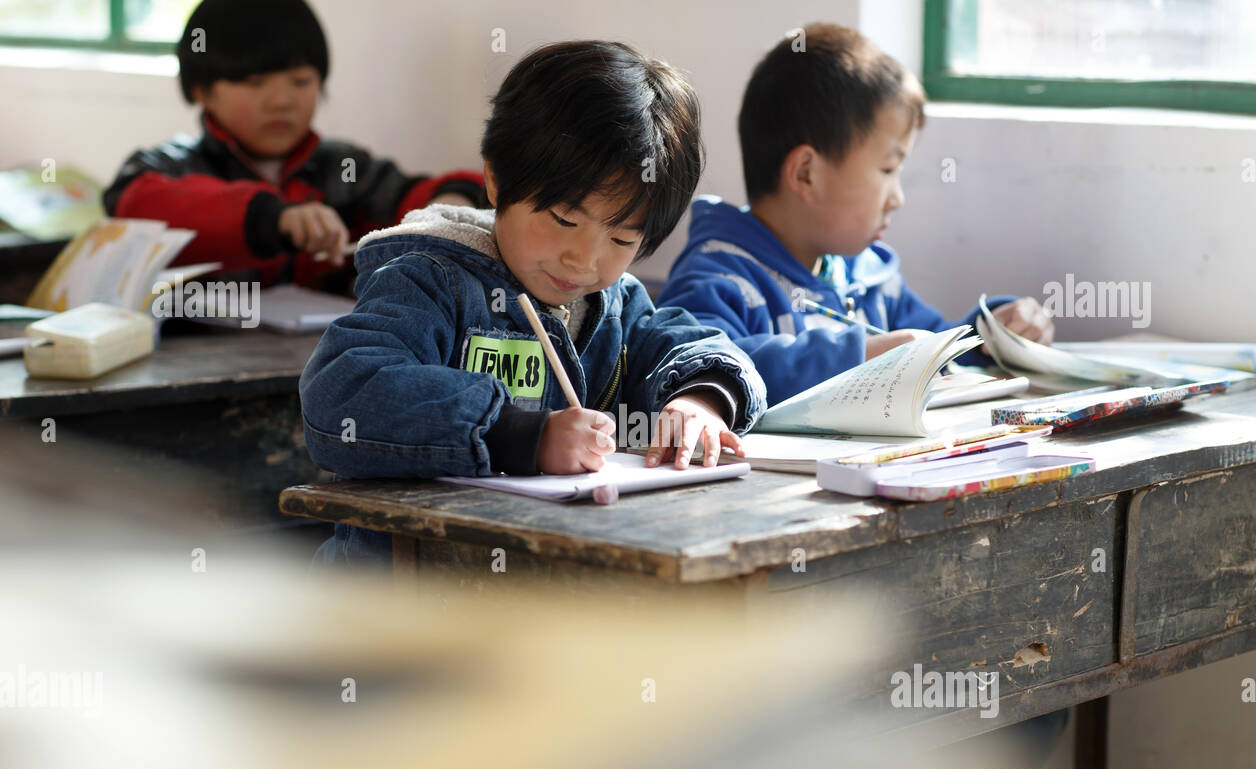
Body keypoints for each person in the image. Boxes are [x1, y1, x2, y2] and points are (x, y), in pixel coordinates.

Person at [298, 40, 767, 568]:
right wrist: (522, 436)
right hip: (397, 598)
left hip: (539, 597)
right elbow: (342, 391)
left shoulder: (614, 304)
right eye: (565, 220)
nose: (583, 261)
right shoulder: (429, 281)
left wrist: (699, 400)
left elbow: (690, 343)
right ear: (497, 180)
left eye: (621, 240)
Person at [657, 23, 1055, 405]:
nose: (897, 197)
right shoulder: (717, 277)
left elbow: (937, 347)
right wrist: (860, 357)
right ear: (806, 174)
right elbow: (696, 366)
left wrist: (993, 333)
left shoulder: (869, 276)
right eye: (886, 170)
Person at [102, 0, 486, 290]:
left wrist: (451, 206)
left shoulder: (344, 167)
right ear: (203, 91)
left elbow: (411, 196)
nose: (282, 101)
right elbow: (135, 206)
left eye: (300, 81)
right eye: (255, 83)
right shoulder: (165, 167)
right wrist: (273, 217)